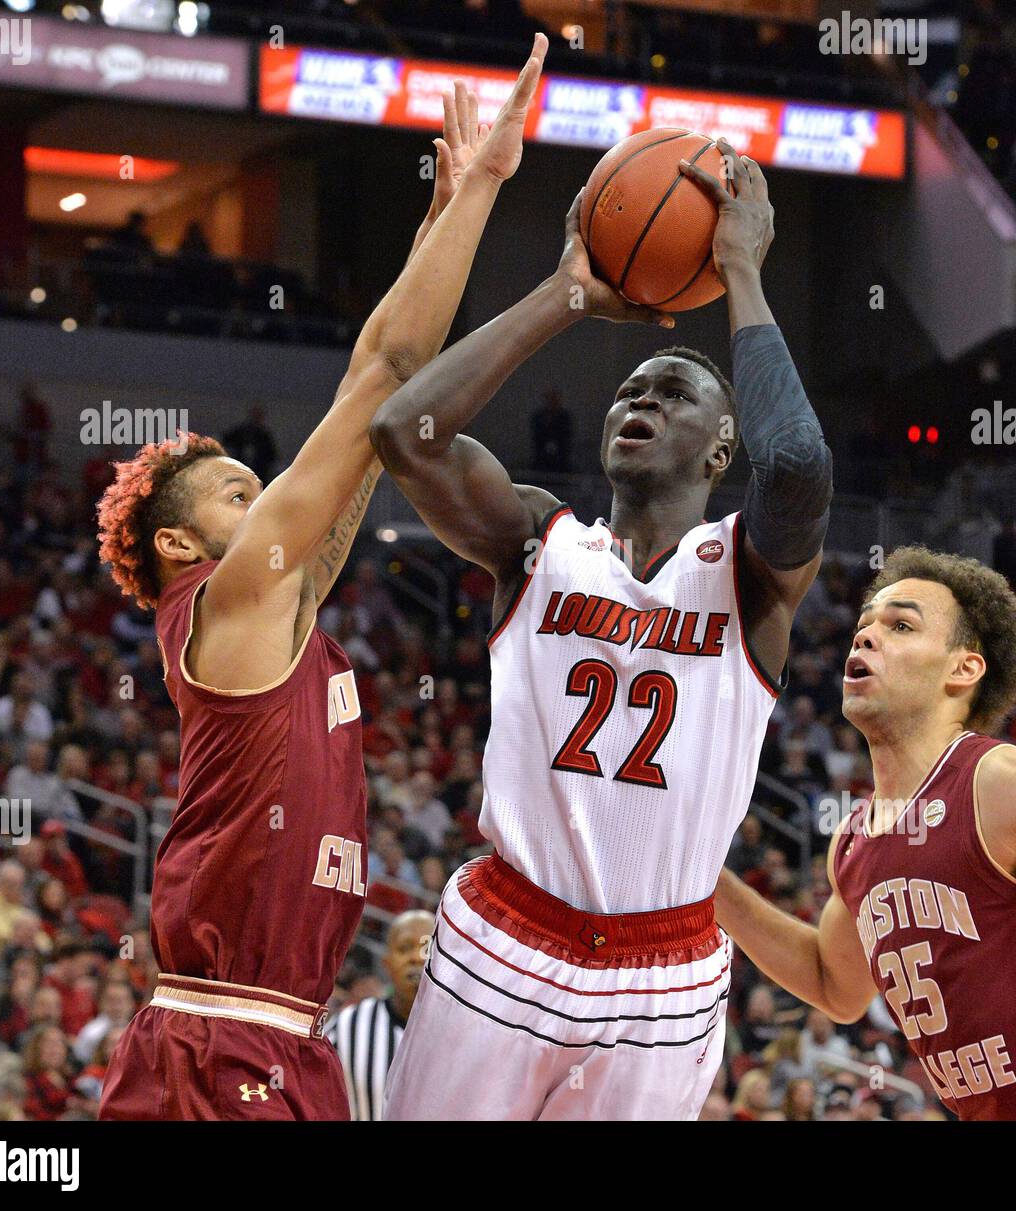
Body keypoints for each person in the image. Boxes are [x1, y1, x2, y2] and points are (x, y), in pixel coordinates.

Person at [93, 36, 549, 1121]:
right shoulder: (233, 599)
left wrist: (439, 223)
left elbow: (379, 408)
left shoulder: (277, 606)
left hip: (279, 1036)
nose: (271, 498)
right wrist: (482, 192)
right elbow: (382, 382)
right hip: (221, 1040)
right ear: (176, 544)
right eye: (239, 490)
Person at [373, 141, 833, 1119]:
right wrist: (564, 296)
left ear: (720, 444)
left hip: (665, 976)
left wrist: (742, 267)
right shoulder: (537, 539)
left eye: (673, 394)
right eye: (629, 391)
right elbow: (403, 433)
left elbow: (793, 463)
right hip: (505, 934)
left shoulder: (747, 578)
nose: (641, 400)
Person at [715, 546, 1016, 1121]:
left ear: (964, 668)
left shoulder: (1006, 779)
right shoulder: (852, 841)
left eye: (900, 625)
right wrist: (711, 885)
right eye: (864, 626)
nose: (866, 637)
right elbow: (836, 987)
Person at [325, 910, 434, 1121]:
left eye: (427, 948)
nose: (416, 958)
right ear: (387, 963)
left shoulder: (461, 1033)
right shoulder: (349, 1026)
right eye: (405, 948)